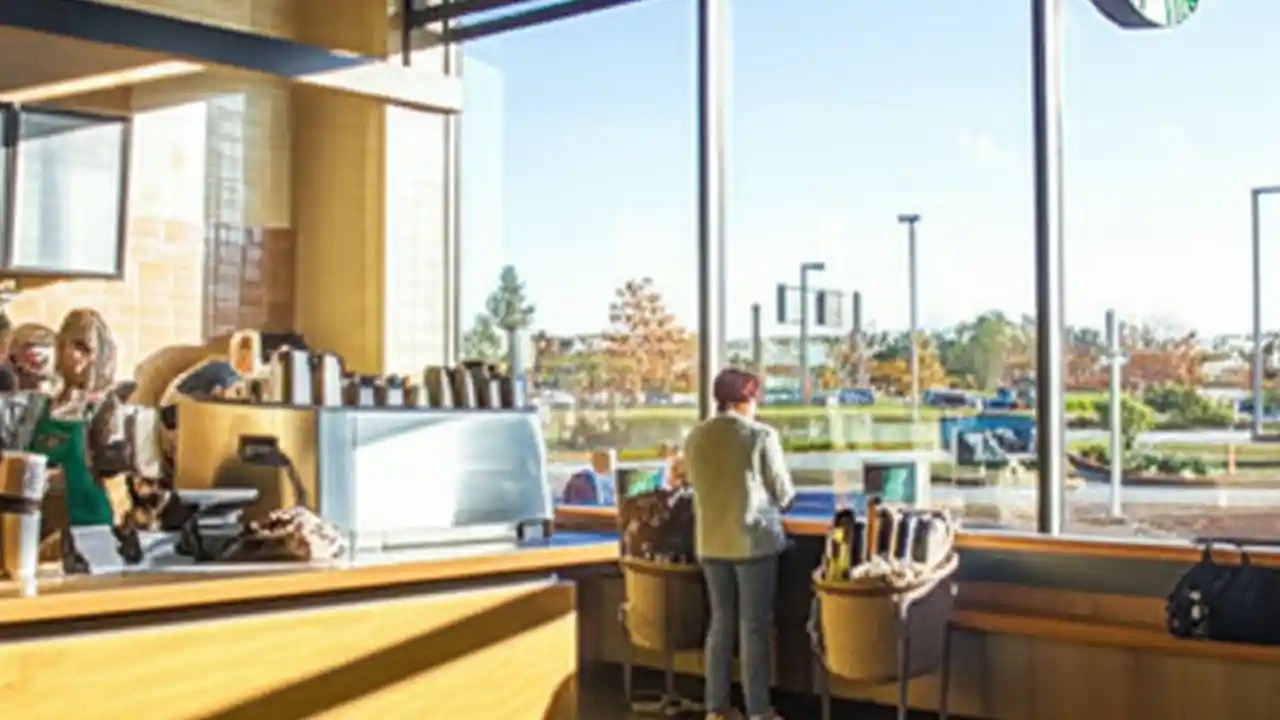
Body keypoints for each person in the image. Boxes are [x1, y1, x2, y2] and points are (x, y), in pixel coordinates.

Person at [684, 369, 795, 720]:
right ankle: (759, 710)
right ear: (746, 399)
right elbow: (783, 492)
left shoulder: (696, 436)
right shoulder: (760, 436)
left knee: (720, 624)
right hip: (752, 544)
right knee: (754, 628)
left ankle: (716, 707)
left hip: (711, 542)